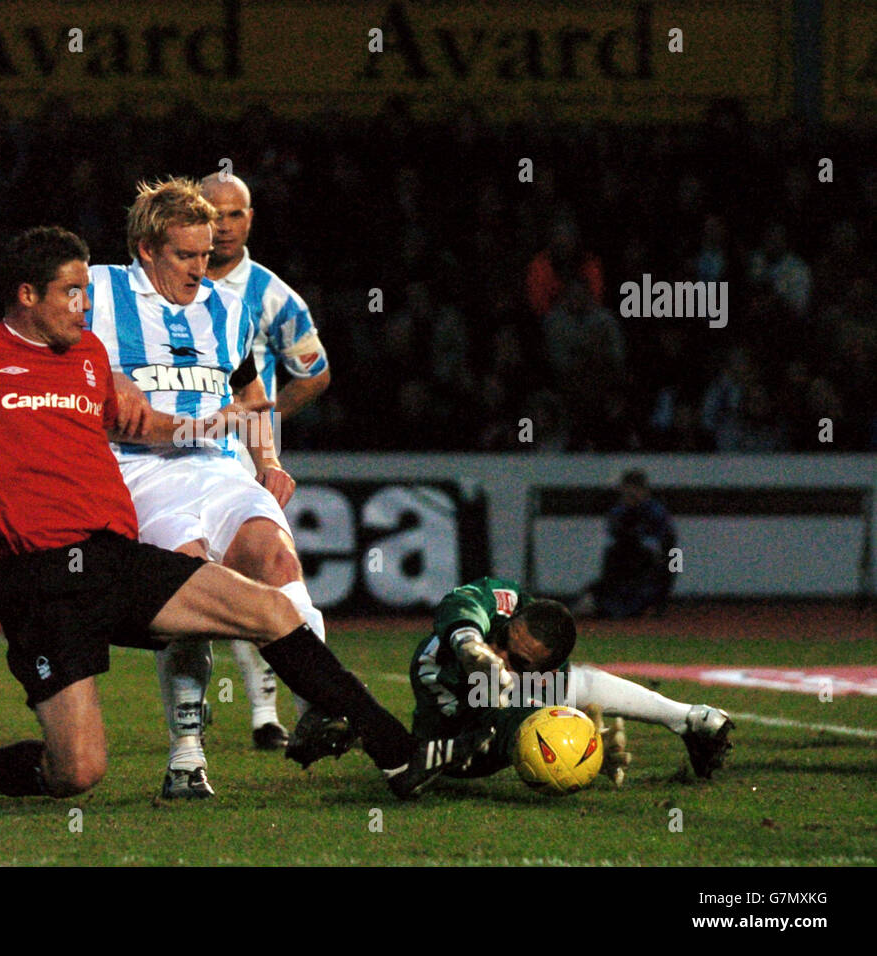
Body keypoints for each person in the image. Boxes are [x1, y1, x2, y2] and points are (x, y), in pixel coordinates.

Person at [0, 225, 497, 802]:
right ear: (27, 296)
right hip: (39, 584)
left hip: (113, 560)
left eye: (84, 291)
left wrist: (220, 424)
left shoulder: (93, 356)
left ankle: (399, 753)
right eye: (69, 292)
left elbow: (144, 428)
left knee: (272, 610)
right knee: (78, 773)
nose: (83, 303)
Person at [85, 179, 342, 799]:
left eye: (206, 255)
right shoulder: (96, 290)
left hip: (222, 469)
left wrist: (271, 458)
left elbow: (253, 396)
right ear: (146, 249)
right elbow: (36, 338)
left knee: (279, 561)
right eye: (186, 256)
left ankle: (324, 705)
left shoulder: (229, 308)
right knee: (192, 595)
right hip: (141, 472)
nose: (202, 269)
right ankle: (187, 754)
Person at [198, 172, 331, 754]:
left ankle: (267, 713)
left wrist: (263, 429)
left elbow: (315, 372)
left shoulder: (273, 294)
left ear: (250, 219)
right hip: (174, 456)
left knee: (265, 580)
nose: (223, 227)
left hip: (242, 467)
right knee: (198, 585)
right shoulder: (170, 276)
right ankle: (203, 712)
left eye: (234, 215)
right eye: (213, 214)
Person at [399, 576, 733, 788]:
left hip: (483, 722)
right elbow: (466, 599)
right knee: (517, 720)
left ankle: (690, 718)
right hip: (447, 704)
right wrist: (469, 640)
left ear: (542, 671)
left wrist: (580, 749)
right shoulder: (507, 610)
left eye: (518, 660)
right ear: (512, 621)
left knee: (562, 696)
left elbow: (510, 722)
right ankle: (688, 718)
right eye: (503, 638)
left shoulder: (545, 677)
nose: (498, 654)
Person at [574, 470, 677, 619]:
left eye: (634, 493)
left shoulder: (656, 512)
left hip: (649, 566)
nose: (629, 497)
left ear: (643, 491)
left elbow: (667, 543)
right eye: (626, 493)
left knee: (673, 558)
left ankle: (654, 603)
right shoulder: (619, 512)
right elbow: (614, 539)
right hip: (626, 564)